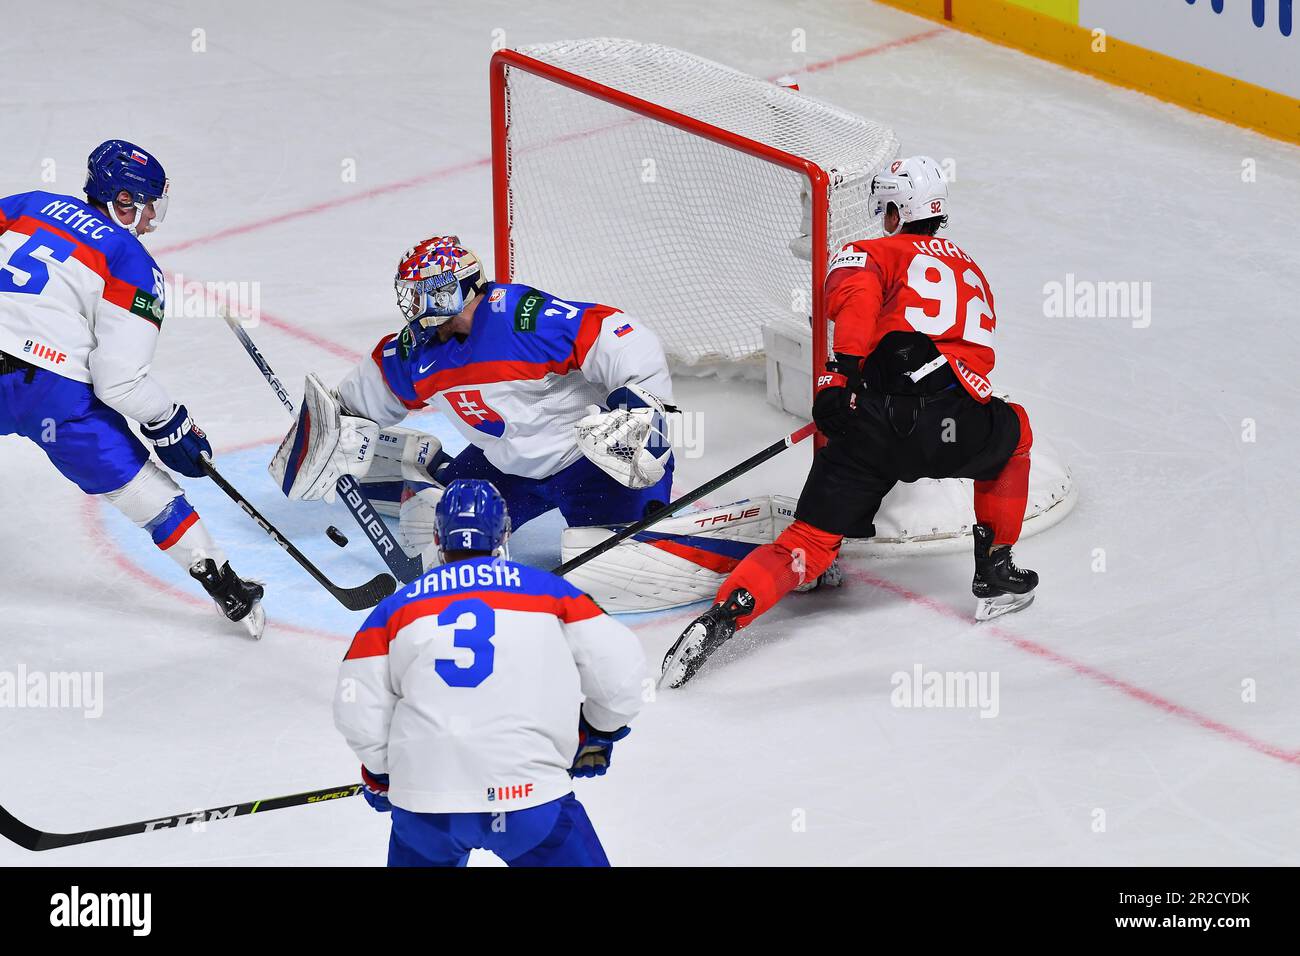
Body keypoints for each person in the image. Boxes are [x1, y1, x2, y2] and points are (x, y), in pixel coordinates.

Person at [661, 156, 1038, 688]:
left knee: (807, 542)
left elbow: (856, 302)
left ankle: (723, 617)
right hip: (956, 422)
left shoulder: (869, 251)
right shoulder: (970, 268)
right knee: (1017, 432)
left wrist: (841, 376)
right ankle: (996, 569)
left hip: (876, 425)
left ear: (892, 211)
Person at [268, 235, 675, 568]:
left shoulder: (522, 320)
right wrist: (325, 433)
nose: (409, 306)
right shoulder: (420, 350)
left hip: (590, 464)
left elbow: (621, 335)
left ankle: (637, 518)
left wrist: (641, 408)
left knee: (606, 561)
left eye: (418, 294)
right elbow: (358, 399)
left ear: (448, 292)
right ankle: (420, 470)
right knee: (435, 530)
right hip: (505, 468)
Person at [0, 140, 263, 638]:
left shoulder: (27, 204)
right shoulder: (132, 261)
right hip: (52, 393)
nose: (151, 222)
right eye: (148, 208)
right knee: (142, 487)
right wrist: (172, 425)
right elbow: (119, 380)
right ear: (123, 201)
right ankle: (224, 583)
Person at [333, 479, 645, 866]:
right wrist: (596, 731)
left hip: (429, 806)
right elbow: (623, 675)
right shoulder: (553, 593)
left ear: (437, 536)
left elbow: (355, 703)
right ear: (505, 533)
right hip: (529, 801)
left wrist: (382, 773)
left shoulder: (396, 609)